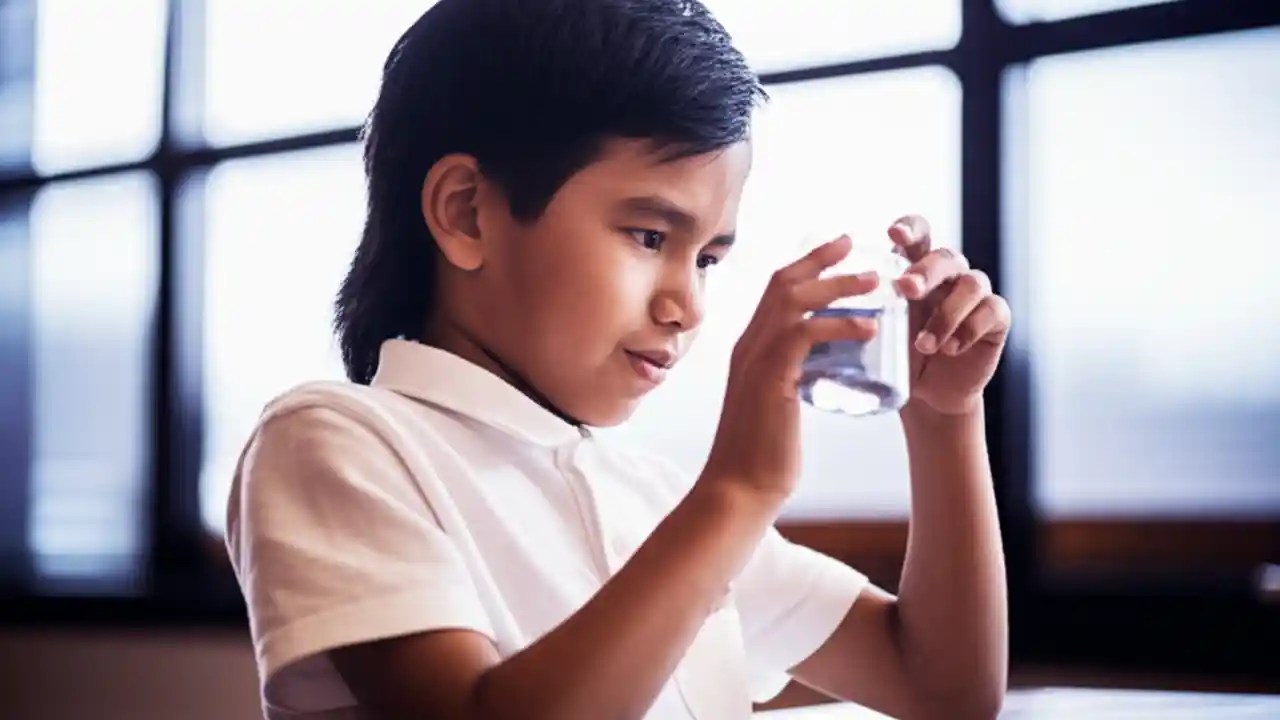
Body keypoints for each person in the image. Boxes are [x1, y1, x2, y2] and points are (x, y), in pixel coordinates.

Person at [225, 1, 1011, 718]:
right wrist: (736, 493)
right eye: (649, 237)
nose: (689, 305)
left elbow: (943, 688)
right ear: (467, 212)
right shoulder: (333, 441)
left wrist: (945, 420)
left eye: (707, 258)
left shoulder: (656, 502)